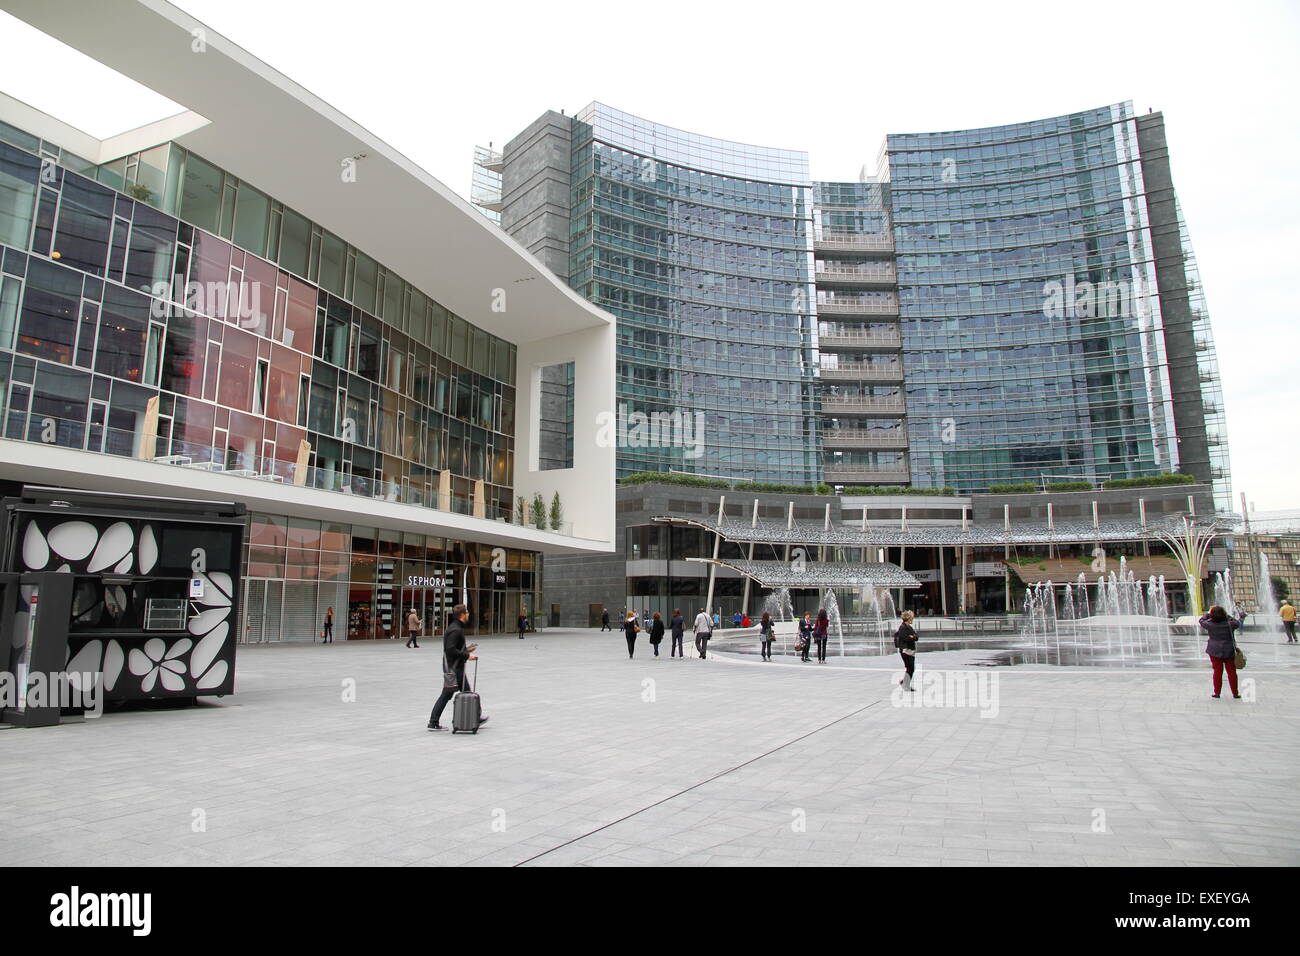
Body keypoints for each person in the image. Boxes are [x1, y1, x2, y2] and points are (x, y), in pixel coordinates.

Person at [427, 605, 488, 731]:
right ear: (462, 614)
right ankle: (433, 722)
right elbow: (450, 650)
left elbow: (453, 648)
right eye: (467, 612)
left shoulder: (455, 627)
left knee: (461, 692)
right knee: (448, 694)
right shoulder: (456, 630)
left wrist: (467, 649)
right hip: (455, 669)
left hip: (455, 668)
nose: (468, 614)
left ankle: (476, 716)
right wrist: (467, 655)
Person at [1199, 605, 1241, 698]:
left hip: (1214, 650)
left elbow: (1201, 621)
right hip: (1229, 650)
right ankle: (1235, 693)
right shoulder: (1230, 624)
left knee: (1217, 672)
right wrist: (1227, 616)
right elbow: (1237, 622)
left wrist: (1208, 614)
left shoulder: (1209, 624)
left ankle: (1217, 693)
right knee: (1232, 672)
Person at [895, 610, 918, 692]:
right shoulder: (903, 627)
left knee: (910, 668)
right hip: (905, 650)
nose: (913, 619)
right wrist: (912, 637)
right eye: (912, 617)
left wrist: (913, 637)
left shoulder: (909, 627)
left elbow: (916, 637)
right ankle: (906, 685)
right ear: (908, 618)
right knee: (910, 668)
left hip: (910, 651)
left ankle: (904, 682)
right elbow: (906, 638)